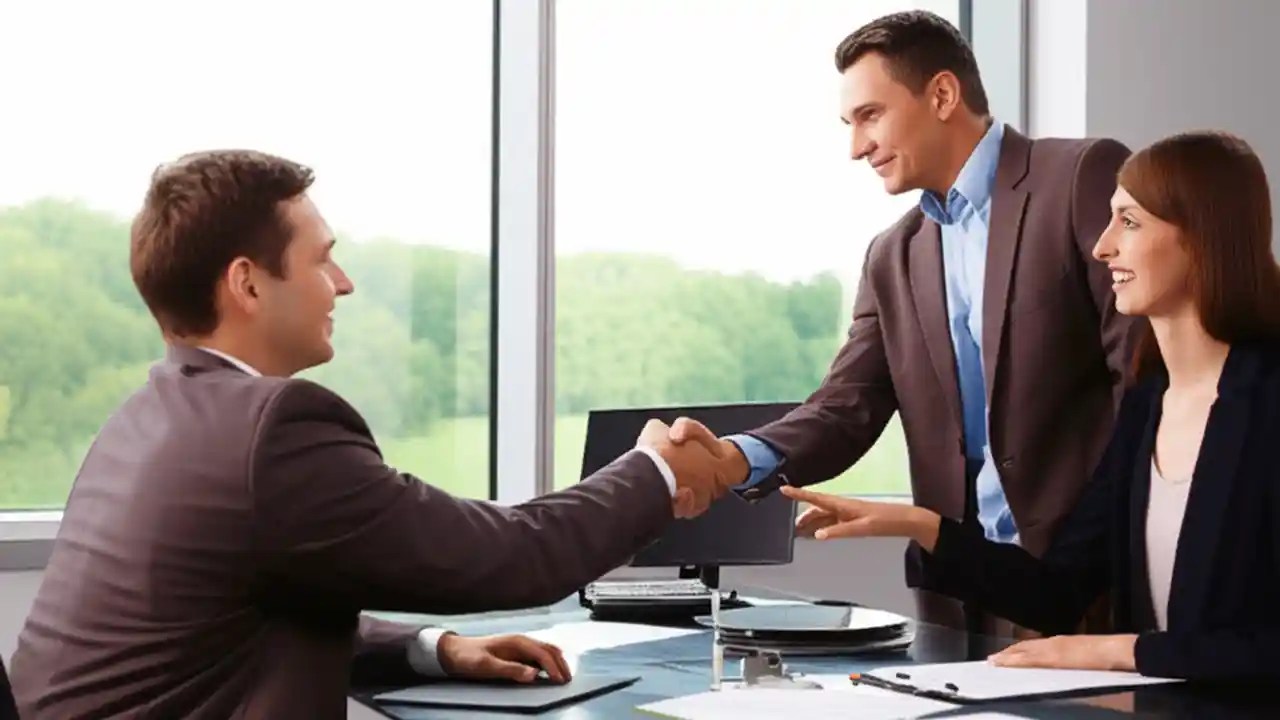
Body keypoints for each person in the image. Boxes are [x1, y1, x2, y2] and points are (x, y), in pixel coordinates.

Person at [8, 150, 736, 719]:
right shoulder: (272, 431)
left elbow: (241, 606)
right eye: (321, 257)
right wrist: (655, 471)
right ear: (248, 284)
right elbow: (512, 556)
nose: (344, 282)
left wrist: (435, 648)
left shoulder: (145, 420)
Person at [669, 10, 1138, 634]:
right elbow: (845, 406)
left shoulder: (1079, 177)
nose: (857, 146)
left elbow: (1142, 378)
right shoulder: (893, 254)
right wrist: (734, 459)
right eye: (850, 123)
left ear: (942, 94)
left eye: (870, 116)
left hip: (1089, 589)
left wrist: (1098, 557)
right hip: (961, 597)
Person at [772, 130, 1280, 680]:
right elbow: (1057, 592)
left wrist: (1123, 652)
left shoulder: (1268, 405)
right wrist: (922, 525)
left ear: (1203, 238)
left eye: (1129, 223)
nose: (1102, 245)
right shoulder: (1147, 408)